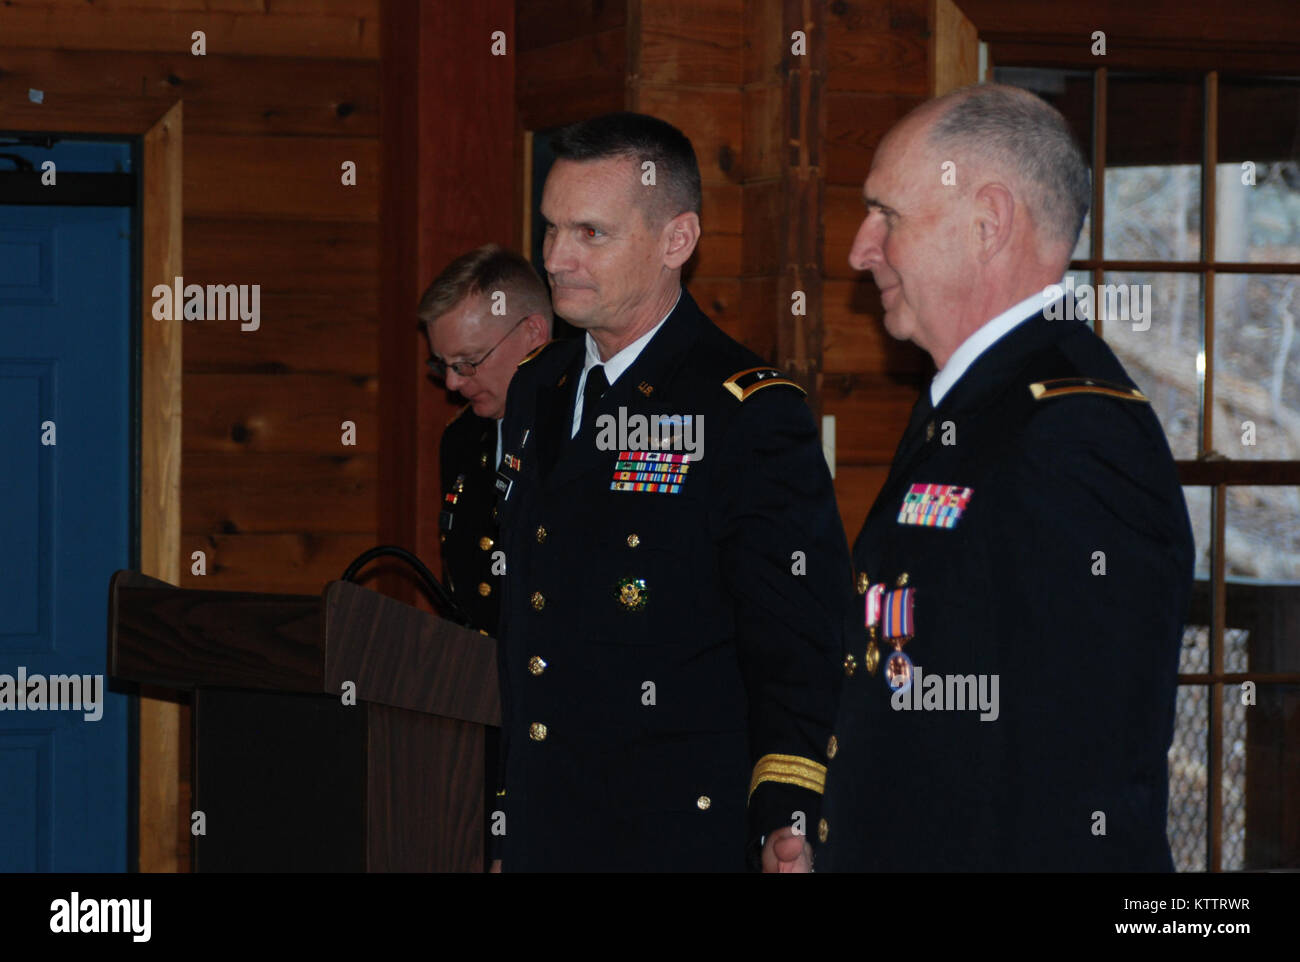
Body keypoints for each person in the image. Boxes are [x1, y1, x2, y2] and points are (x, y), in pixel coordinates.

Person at [818, 83, 1195, 871]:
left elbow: (1073, 777)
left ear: (987, 223)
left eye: (887, 214)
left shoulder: (1073, 432)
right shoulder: (975, 404)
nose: (861, 247)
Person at [492, 112, 851, 871]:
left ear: (675, 241)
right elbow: (528, 637)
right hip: (543, 829)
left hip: (672, 837)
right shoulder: (539, 386)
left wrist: (787, 817)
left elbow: (796, 647)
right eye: (551, 228)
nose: (555, 256)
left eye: (590, 232)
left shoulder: (745, 413)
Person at [418, 244, 553, 636]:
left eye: (467, 362)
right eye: (441, 365)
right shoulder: (461, 439)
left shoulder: (585, 434)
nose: (452, 383)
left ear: (533, 335)